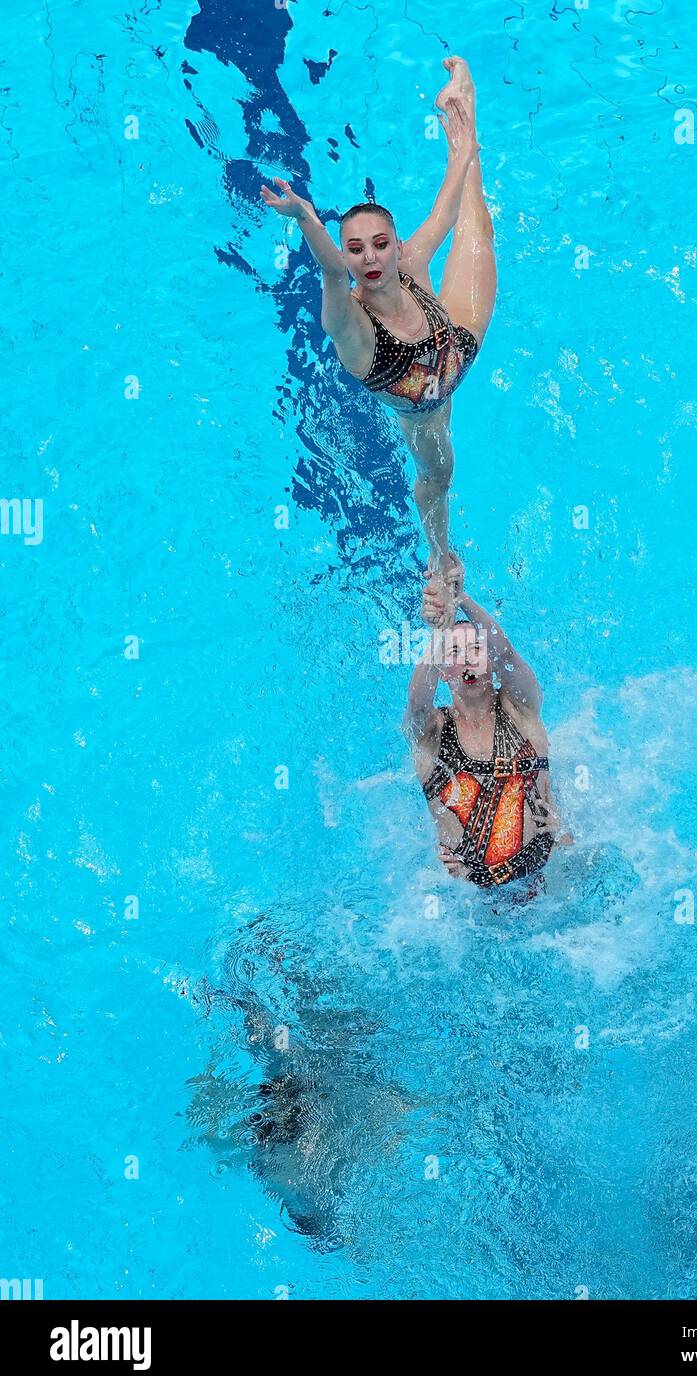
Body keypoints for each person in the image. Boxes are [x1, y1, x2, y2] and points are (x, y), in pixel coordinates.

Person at [260, 57, 497, 624]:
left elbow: (441, 209)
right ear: (347, 255)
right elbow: (328, 272)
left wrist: (459, 147)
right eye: (356, 248)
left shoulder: (409, 261)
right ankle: (440, 562)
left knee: (473, 219)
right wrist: (306, 219)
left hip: (459, 338)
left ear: (393, 246)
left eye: (379, 244)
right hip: (426, 411)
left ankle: (465, 109)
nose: (369, 257)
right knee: (437, 478)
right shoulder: (351, 326)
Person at [404, 556, 570, 889]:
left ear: (491, 662)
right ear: (440, 667)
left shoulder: (520, 711)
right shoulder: (433, 733)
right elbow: (417, 703)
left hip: (548, 879)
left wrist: (461, 597)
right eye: (454, 652)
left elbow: (508, 656)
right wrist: (438, 632)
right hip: (472, 901)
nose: (465, 656)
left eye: (475, 648)